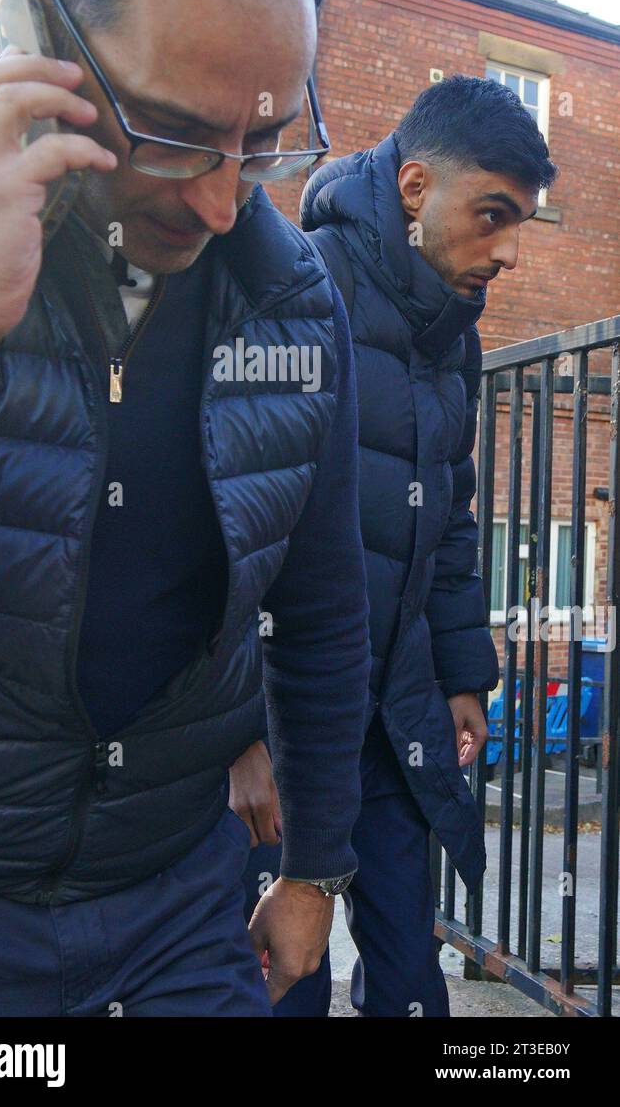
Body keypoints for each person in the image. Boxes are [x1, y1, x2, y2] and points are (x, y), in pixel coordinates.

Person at [0, 0, 370, 1017]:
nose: (222, 203)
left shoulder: (293, 302)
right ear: (31, 24)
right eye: (167, 133)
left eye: (263, 142)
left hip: (177, 908)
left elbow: (322, 611)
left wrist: (315, 869)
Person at [244, 73, 557, 1016]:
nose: (509, 253)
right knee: (281, 979)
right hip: (288, 717)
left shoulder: (450, 337)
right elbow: (239, 526)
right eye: (492, 215)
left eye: (520, 224)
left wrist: (460, 674)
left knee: (411, 975)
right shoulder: (295, 285)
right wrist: (237, 732)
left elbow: (451, 517)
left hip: (396, 710)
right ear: (416, 190)